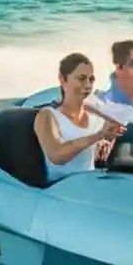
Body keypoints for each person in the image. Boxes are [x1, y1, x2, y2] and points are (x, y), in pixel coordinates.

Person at [34, 53, 125, 183]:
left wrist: (107, 141)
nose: (88, 85)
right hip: (60, 188)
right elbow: (56, 155)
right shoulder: (48, 116)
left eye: (91, 79)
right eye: (81, 78)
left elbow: (117, 128)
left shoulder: (95, 119)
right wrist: (97, 136)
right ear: (63, 79)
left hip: (90, 183)